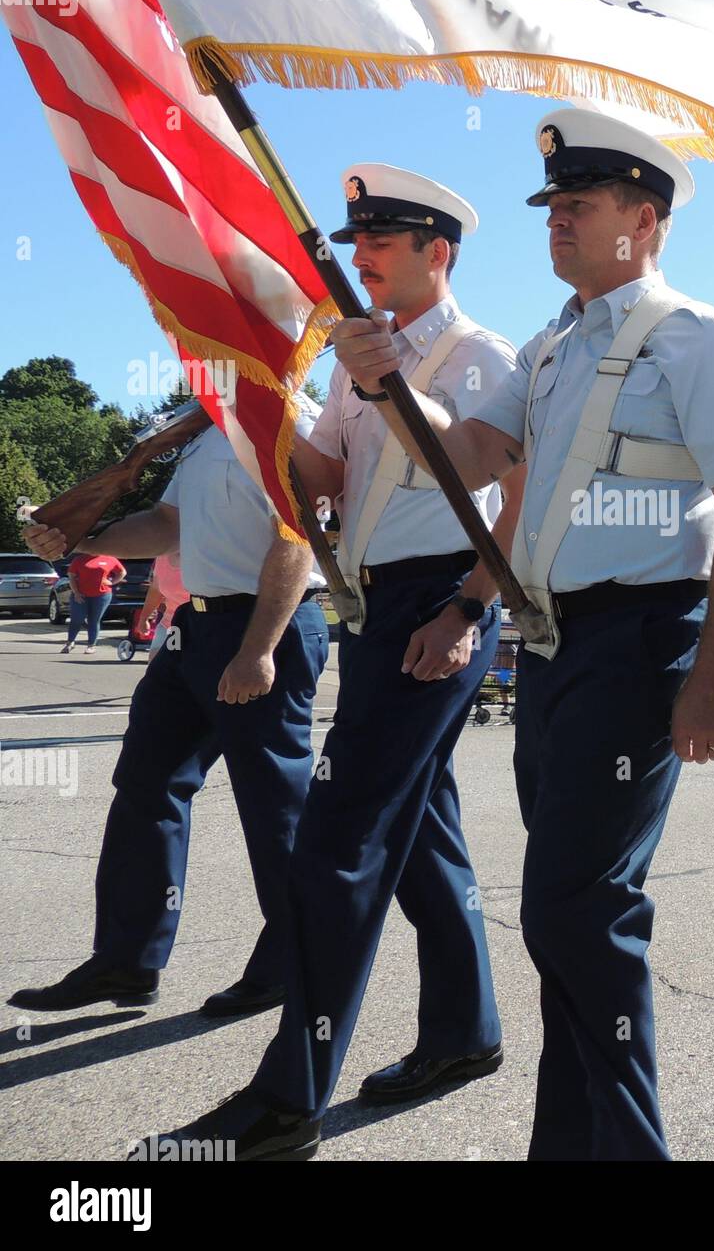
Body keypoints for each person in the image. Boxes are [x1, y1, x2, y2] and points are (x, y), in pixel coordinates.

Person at [323, 109, 714, 1161]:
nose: (558, 220)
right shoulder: (549, 348)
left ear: (646, 219)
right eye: (554, 207)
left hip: (643, 637)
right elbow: (475, 454)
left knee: (580, 910)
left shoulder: (696, 337)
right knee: (565, 913)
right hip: (554, 643)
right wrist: (386, 375)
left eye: (579, 204)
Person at [159, 166, 521, 1161]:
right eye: (355, 241)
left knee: (337, 841)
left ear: (435, 252)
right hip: (376, 612)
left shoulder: (474, 355)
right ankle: (463, 1032)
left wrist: (465, 612)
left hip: (440, 601)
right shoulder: (361, 358)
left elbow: (480, 465)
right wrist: (253, 399)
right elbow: (321, 477)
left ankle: (287, 1100)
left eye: (381, 243)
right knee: (426, 840)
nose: (358, 260)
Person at [12, 414, 328, 1018]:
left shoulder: (290, 422)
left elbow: (297, 536)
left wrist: (258, 647)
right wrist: (83, 537)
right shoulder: (206, 432)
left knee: (274, 805)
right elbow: (165, 526)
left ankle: (296, 960)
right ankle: (127, 961)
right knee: (146, 786)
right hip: (196, 627)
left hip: (265, 627)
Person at [62, 550, 125, 654]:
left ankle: (91, 645)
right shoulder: (79, 559)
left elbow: (122, 572)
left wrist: (112, 582)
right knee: (77, 619)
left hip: (102, 595)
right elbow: (72, 577)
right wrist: (76, 592)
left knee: (94, 620)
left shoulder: (109, 558)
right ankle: (70, 642)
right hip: (81, 595)